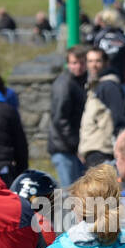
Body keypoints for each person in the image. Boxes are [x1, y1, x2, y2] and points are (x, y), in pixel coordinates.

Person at [78, 45, 125, 167]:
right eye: (90, 61)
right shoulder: (95, 86)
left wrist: (121, 150)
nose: (93, 65)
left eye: (98, 61)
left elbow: (120, 118)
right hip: (92, 151)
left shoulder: (109, 86)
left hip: (103, 152)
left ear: (106, 63)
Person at [49, 45, 89, 186]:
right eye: (74, 63)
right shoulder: (64, 85)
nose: (78, 67)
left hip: (72, 147)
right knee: (71, 195)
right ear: (68, 63)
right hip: (65, 148)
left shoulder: (82, 81)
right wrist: (76, 146)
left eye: (82, 63)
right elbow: (60, 120)